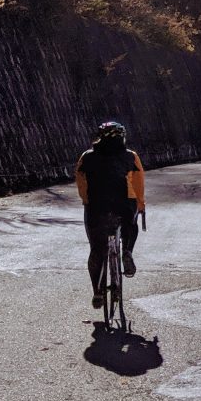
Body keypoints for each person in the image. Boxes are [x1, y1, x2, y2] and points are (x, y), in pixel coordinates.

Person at [75, 121, 145, 309]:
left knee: (96, 249)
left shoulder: (86, 157)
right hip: (124, 206)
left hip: (96, 208)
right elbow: (138, 184)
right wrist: (140, 204)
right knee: (131, 224)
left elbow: (81, 184)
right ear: (122, 137)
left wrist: (87, 201)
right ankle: (127, 252)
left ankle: (98, 292)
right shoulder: (131, 156)